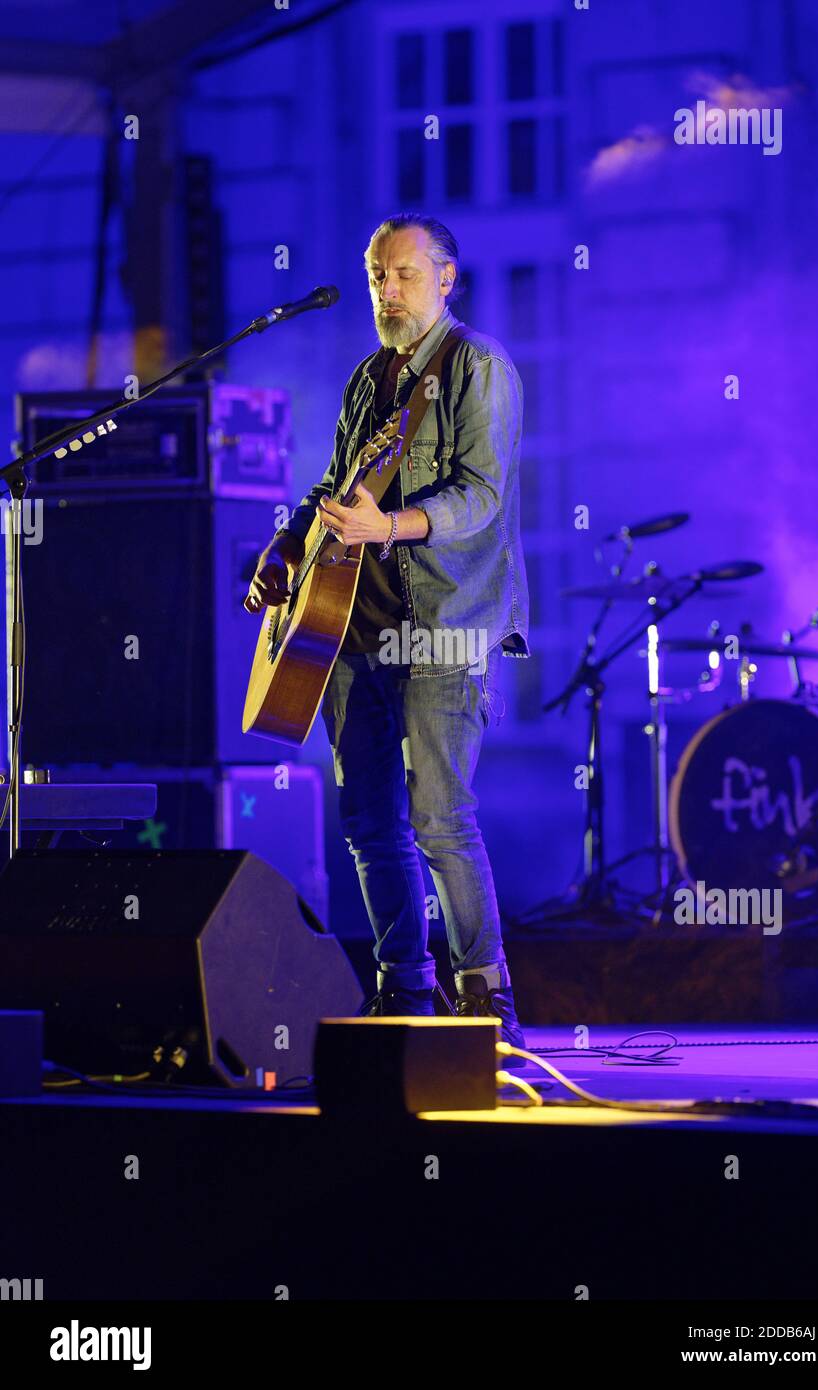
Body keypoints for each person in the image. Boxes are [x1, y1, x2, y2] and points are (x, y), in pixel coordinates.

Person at [245, 214, 530, 1051]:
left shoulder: (479, 366)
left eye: (404, 275)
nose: (387, 291)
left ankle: (486, 993)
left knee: (440, 816)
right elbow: (334, 485)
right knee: (370, 823)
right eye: (377, 275)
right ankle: (405, 985)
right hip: (347, 633)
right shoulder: (370, 379)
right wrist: (287, 544)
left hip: (446, 628)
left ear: (447, 280)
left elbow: (482, 497)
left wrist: (390, 525)